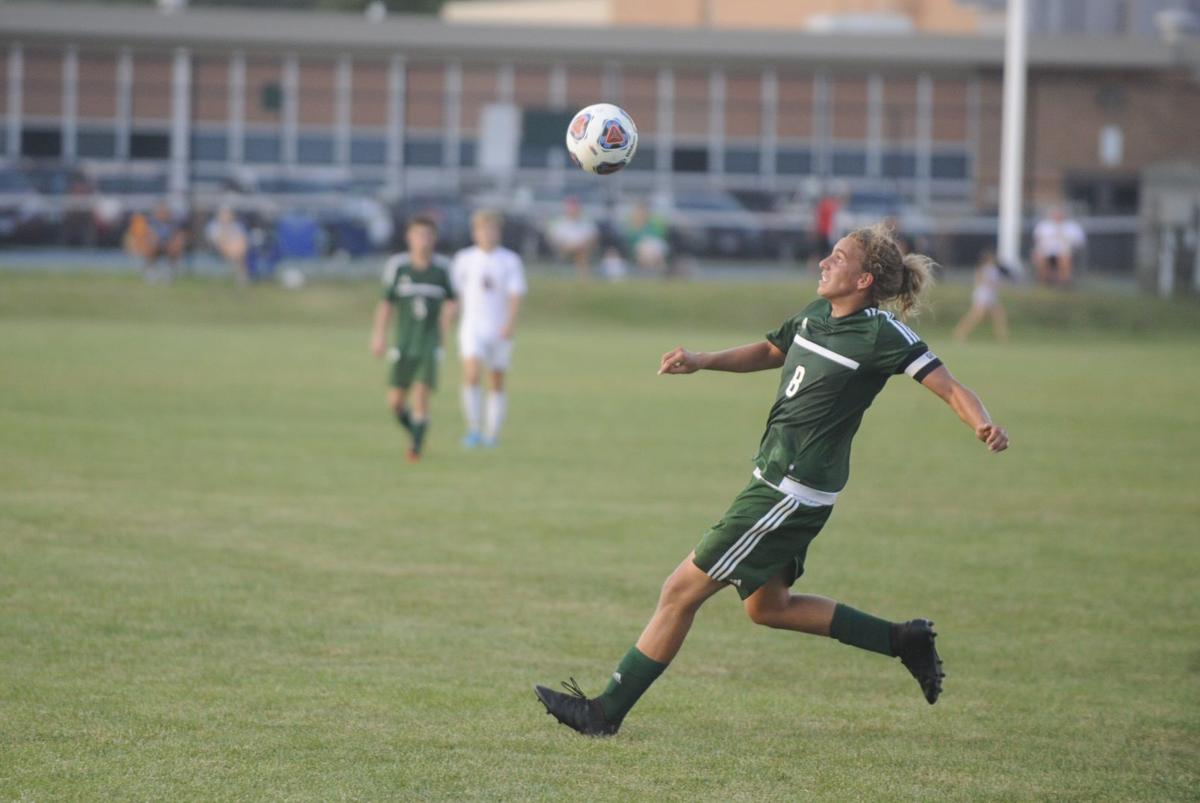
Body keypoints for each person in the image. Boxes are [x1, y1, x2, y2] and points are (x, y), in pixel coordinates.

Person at [534, 222, 1009, 736]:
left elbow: (948, 385)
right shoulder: (815, 313)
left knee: (678, 591)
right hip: (780, 482)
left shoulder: (881, 335)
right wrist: (701, 361)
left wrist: (981, 423)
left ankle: (604, 713)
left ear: (865, 279)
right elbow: (770, 351)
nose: (825, 262)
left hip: (789, 490)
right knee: (768, 607)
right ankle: (902, 639)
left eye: (838, 257)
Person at [369, 216, 457, 463]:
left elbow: (453, 301)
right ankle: (416, 432)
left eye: (428, 235)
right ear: (409, 237)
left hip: (429, 343)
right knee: (395, 402)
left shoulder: (442, 269)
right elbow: (386, 304)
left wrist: (447, 320)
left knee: (420, 395)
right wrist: (379, 336)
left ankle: (415, 449)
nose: (423, 240)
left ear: (434, 238)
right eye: (418, 234)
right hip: (403, 343)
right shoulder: (398, 267)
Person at [449, 210, 527, 449]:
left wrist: (509, 324)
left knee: (496, 379)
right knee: (472, 374)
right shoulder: (464, 259)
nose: (487, 234)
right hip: (472, 326)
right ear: (475, 232)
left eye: (491, 229)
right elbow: (454, 295)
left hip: (499, 327)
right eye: (482, 229)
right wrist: (446, 320)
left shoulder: (510, 260)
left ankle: (492, 433)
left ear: (498, 232)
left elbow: (515, 294)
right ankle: (473, 428)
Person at [953, 251, 1009, 343]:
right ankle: (959, 333)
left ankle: (1002, 338)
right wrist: (992, 284)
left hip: (991, 296)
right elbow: (980, 280)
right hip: (983, 295)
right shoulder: (984, 268)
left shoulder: (994, 269)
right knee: (975, 316)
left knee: (999, 316)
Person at [126, 201, 187, 282]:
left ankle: (169, 271)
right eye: (161, 211)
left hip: (168, 245)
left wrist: (173, 242)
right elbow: (141, 236)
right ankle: (151, 271)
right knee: (150, 243)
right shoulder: (149, 222)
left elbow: (180, 236)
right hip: (154, 245)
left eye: (165, 211)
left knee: (177, 243)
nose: (163, 213)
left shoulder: (174, 223)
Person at [545, 196, 598, 279]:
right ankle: (584, 278)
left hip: (583, 250)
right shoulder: (560, 224)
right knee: (578, 251)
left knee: (581, 252)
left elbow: (593, 238)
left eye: (575, 207)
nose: (573, 210)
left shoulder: (586, 223)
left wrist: (580, 245)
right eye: (571, 208)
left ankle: (583, 277)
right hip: (564, 250)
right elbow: (555, 241)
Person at [1032, 205, 1085, 286]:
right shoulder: (1044, 226)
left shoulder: (1072, 227)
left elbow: (1079, 242)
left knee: (1064, 257)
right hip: (1047, 251)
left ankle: (1064, 282)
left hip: (1065, 251)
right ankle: (1044, 281)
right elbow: (1038, 240)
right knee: (1039, 256)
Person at [622, 200, 669, 274]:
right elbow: (631, 241)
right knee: (644, 251)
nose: (642, 213)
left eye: (643, 211)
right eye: (639, 211)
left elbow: (659, 237)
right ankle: (646, 273)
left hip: (654, 246)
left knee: (654, 251)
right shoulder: (631, 225)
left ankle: (659, 274)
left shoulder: (653, 223)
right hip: (639, 248)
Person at [205, 206, 249, 284]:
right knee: (236, 249)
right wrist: (225, 227)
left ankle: (241, 276)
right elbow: (216, 242)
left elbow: (243, 239)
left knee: (240, 246)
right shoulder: (213, 226)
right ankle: (241, 276)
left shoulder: (237, 226)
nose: (226, 216)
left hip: (236, 249)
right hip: (220, 249)